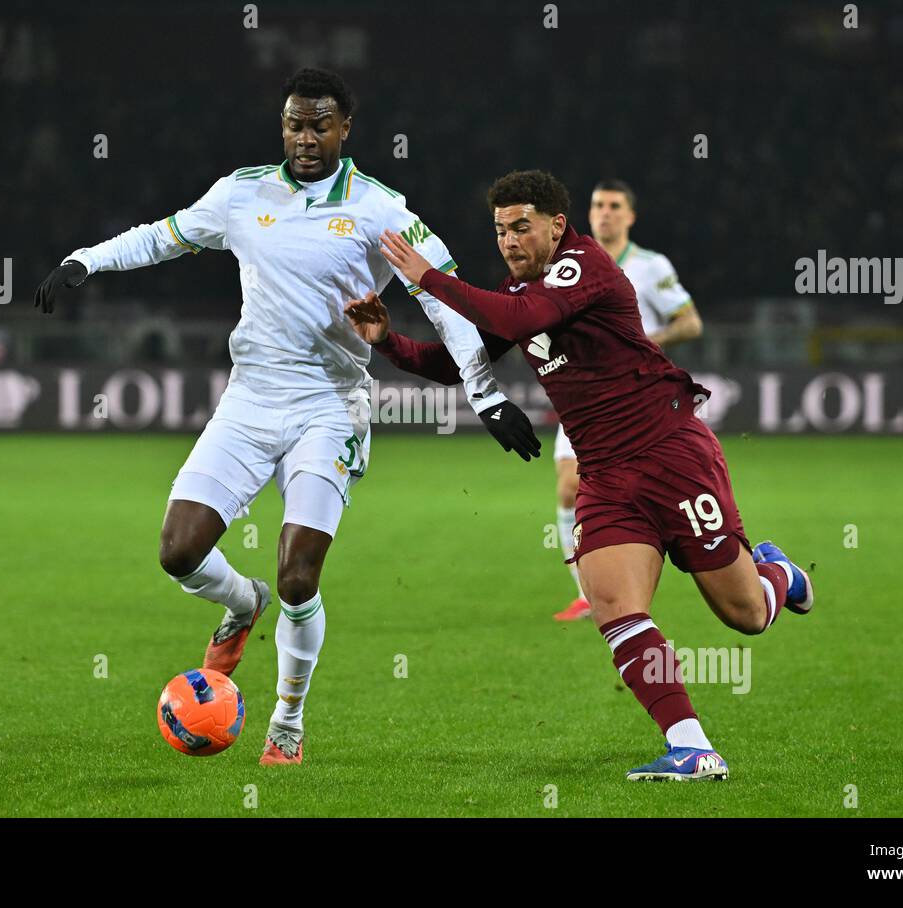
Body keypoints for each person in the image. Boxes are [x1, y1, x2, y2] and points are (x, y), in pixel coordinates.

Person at [34, 68, 537, 766]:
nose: (306, 137)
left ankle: (287, 724)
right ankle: (243, 603)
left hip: (330, 406)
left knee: (301, 574)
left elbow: (445, 299)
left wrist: (484, 395)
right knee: (178, 551)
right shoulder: (243, 193)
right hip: (249, 399)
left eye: (320, 123)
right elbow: (164, 236)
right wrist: (85, 260)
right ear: (283, 126)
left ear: (346, 129)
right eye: (295, 123)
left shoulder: (381, 209)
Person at [347, 170, 814, 780]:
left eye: (521, 227)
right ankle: (693, 746)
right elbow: (455, 362)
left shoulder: (580, 267)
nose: (509, 242)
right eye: (499, 230)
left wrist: (429, 278)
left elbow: (522, 321)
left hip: (671, 454)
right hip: (606, 475)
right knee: (614, 604)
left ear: (557, 225)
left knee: (744, 614)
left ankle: (780, 574)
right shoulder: (516, 288)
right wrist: (387, 342)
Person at [553, 180, 703, 621]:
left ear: (631, 216)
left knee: (656, 494)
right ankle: (587, 593)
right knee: (568, 486)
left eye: (615, 206)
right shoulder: (567, 264)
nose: (605, 213)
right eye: (598, 204)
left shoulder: (651, 266)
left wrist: (651, 338)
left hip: (640, 404)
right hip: (582, 398)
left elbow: (691, 323)